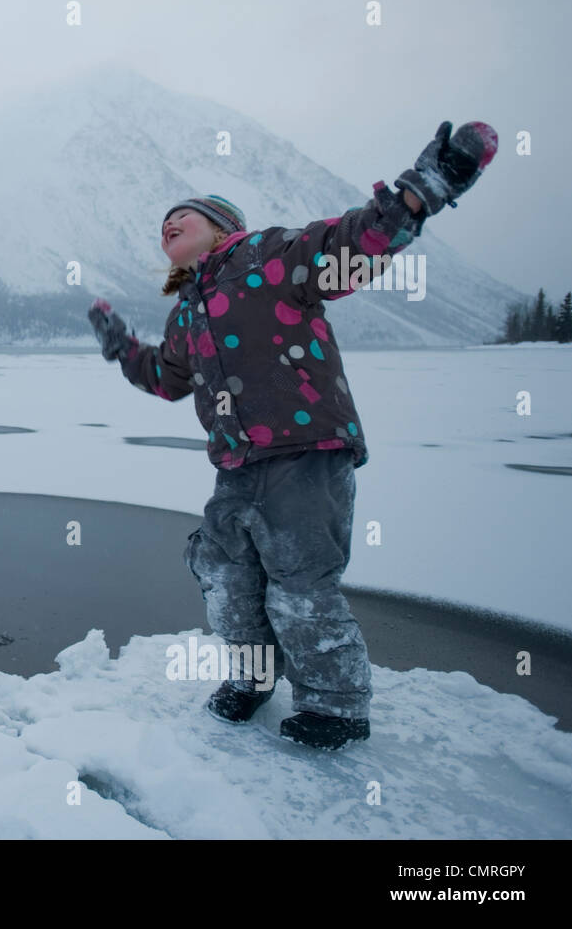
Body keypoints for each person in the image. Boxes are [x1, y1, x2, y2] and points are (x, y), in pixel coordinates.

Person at [89, 121, 496, 750]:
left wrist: (419, 192)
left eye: (183, 216)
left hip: (305, 451)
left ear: (222, 227)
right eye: (163, 223)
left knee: (302, 582)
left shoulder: (270, 258)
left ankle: (335, 705)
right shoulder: (187, 312)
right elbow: (167, 379)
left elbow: (349, 245)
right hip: (237, 465)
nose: (168, 224)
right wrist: (122, 350)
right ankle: (252, 679)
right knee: (227, 578)